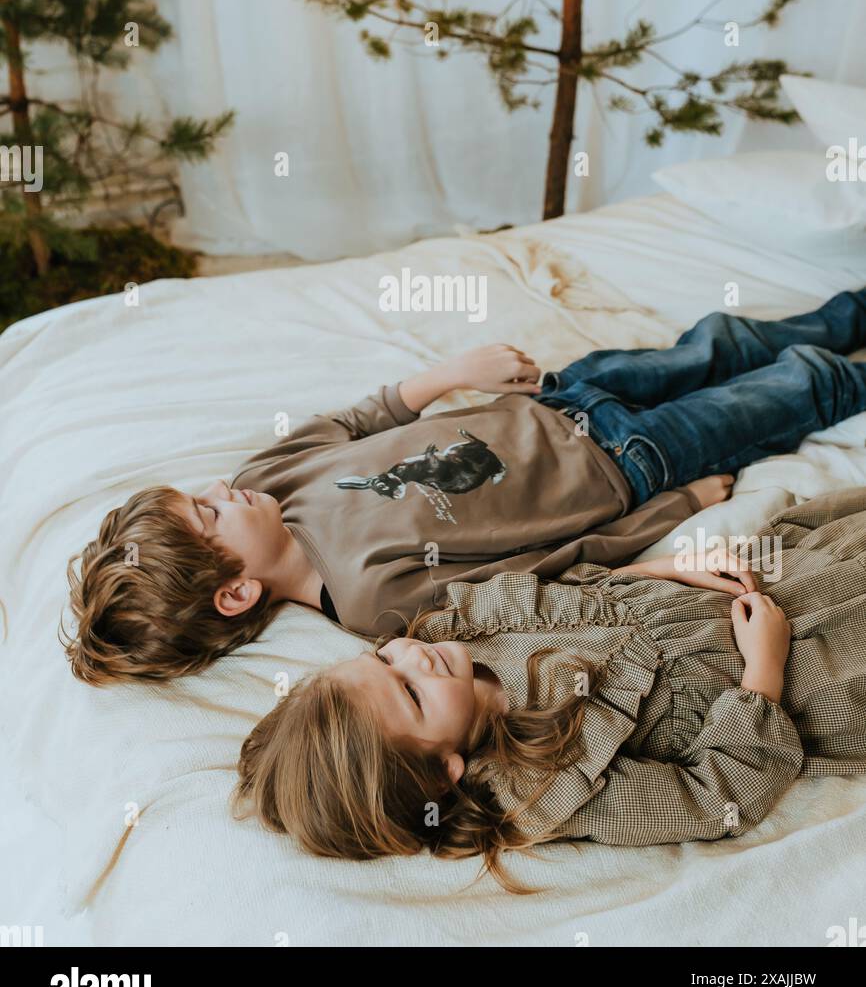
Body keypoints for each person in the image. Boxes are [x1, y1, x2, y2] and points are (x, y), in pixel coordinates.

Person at [63, 288, 866, 684]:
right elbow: (549, 572)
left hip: (564, 396)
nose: (217, 488)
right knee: (797, 388)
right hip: (630, 463)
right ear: (235, 592)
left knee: (725, 340)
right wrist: (676, 508)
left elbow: (362, 418)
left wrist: (452, 376)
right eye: (207, 513)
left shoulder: (265, 479)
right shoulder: (379, 607)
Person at [233, 486, 866, 884]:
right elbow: (717, 796)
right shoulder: (546, 783)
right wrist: (764, 671)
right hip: (803, 672)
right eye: (411, 693)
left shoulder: (467, 626)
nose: (414, 658)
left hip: (762, 588)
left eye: (384, 658)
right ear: (444, 772)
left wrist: (669, 566)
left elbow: (583, 591)